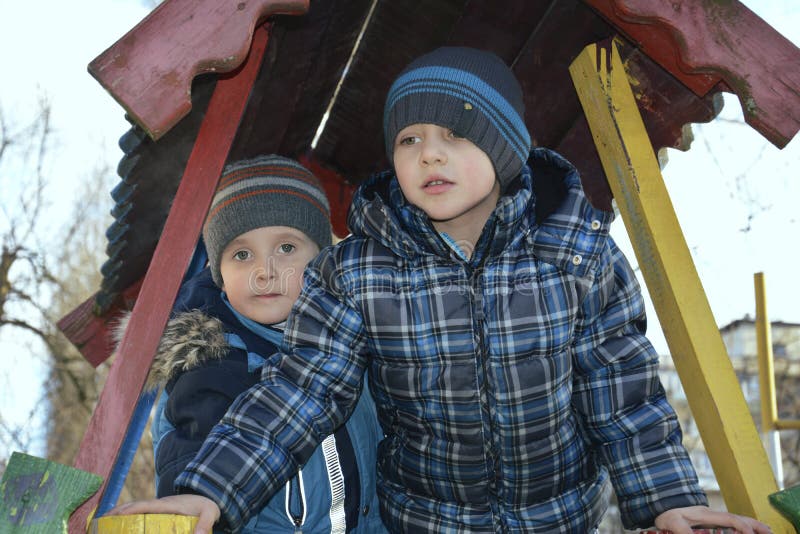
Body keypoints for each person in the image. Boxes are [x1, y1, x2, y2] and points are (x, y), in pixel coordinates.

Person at [110, 48, 771, 534]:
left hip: (560, 517)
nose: (429, 154)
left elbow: (622, 394)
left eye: (455, 134)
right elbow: (299, 390)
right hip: (426, 522)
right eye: (409, 140)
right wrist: (210, 490)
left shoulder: (579, 256)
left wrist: (665, 500)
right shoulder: (361, 274)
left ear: (505, 149)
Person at [138, 155, 386, 533]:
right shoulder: (211, 371)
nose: (264, 270)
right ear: (218, 274)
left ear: (321, 259)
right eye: (241, 254)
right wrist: (191, 505)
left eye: (286, 248)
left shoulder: (361, 343)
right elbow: (192, 458)